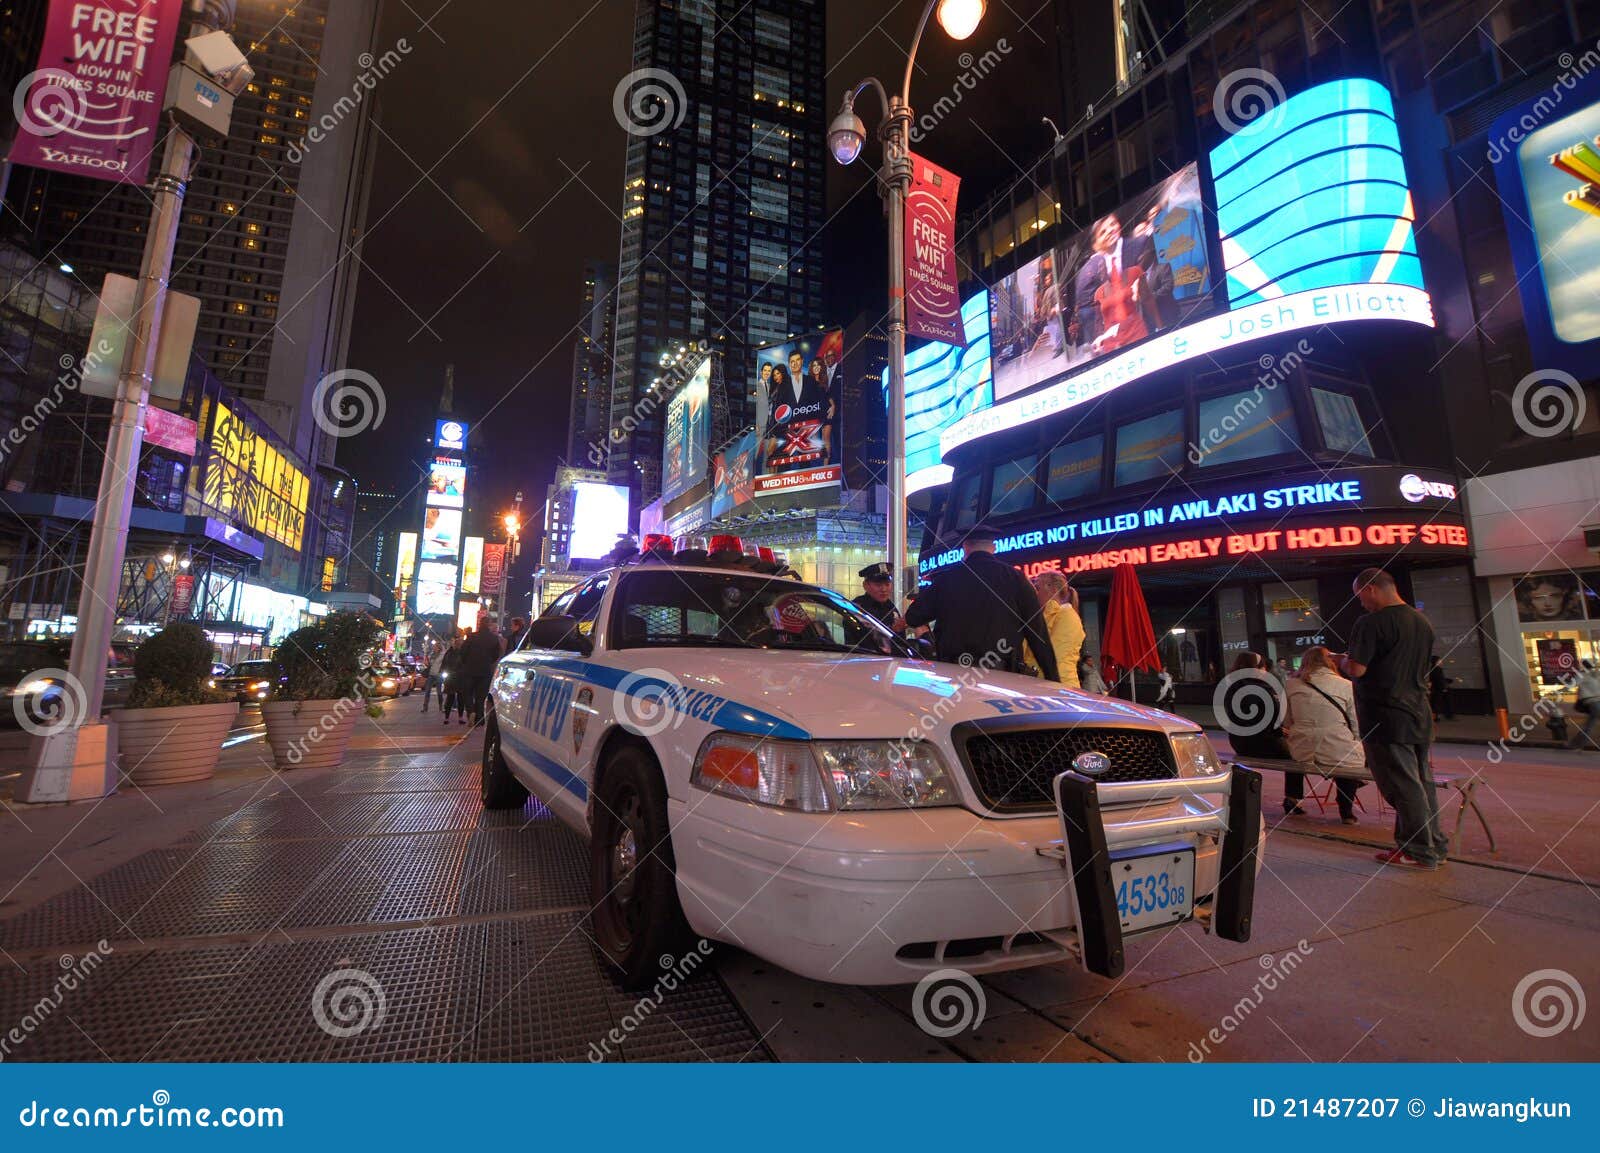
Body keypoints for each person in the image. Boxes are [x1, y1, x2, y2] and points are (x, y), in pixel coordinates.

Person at [1336, 568, 1445, 869]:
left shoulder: (1372, 622)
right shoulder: (1421, 621)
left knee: (1401, 785)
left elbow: (1357, 669)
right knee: (1422, 782)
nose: (1361, 604)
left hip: (1384, 715)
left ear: (1371, 589)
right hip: (1418, 712)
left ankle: (1417, 850)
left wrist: (1340, 660)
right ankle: (1434, 845)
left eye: (1360, 596)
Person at [905, 524, 1059, 681]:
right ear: (994, 547)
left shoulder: (946, 579)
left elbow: (913, 617)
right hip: (1003, 676)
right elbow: (1037, 633)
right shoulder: (1016, 578)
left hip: (955, 674)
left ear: (965, 547)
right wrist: (1053, 678)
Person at [1283, 646, 1364, 825]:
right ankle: (1346, 812)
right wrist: (1357, 742)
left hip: (1303, 750)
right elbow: (1355, 722)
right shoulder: (1346, 685)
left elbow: (1287, 721)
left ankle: (1292, 798)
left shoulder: (1290, 684)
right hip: (1336, 746)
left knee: (1292, 755)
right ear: (1330, 662)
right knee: (1350, 763)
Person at [1223, 652, 1293, 776]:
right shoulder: (1260, 687)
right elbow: (1266, 719)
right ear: (1255, 668)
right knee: (1296, 756)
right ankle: (1293, 794)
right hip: (1262, 743)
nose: (1265, 671)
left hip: (1239, 743)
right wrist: (1279, 731)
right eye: (1263, 667)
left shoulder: (1233, 685)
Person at [1026, 570, 1084, 687]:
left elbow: (1053, 657)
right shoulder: (1045, 616)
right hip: (1043, 686)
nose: (1034, 593)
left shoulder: (1068, 615)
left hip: (1061, 689)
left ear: (1052, 590)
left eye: (1037, 588)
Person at [459, 618, 502, 727]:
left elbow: (463, 652)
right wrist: (488, 662)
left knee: (467, 693)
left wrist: (466, 662)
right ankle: (480, 719)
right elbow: (496, 655)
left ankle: (471, 711)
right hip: (485, 671)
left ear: (479, 624)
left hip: (470, 670)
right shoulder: (493, 638)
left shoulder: (472, 636)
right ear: (489, 625)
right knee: (480, 696)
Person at [852, 563, 904, 632]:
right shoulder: (857, 607)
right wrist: (893, 630)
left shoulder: (890, 606)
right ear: (865, 585)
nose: (884, 589)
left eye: (887, 584)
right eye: (878, 585)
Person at [1569, 658, 1600, 751]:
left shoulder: (1582, 675)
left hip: (1592, 702)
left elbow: (1572, 685)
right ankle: (1576, 743)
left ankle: (1576, 744)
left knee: (1589, 725)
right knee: (1590, 724)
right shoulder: (1596, 674)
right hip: (1598, 701)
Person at [439, 635, 465, 724]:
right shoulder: (449, 653)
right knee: (452, 698)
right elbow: (444, 664)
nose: (457, 644)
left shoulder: (460, 652)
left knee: (457, 698)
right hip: (453, 677)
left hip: (457, 677)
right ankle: (449, 717)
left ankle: (457, 717)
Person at [1428, 654, 1454, 721]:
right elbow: (1439, 679)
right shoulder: (1437, 669)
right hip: (1438, 689)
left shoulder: (1432, 669)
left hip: (1435, 689)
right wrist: (1444, 688)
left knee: (1436, 703)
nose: (1441, 661)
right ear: (1436, 661)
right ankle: (1436, 717)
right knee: (1437, 703)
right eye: (1440, 660)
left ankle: (1436, 716)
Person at [421, 642, 445, 713]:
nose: (433, 648)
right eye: (433, 647)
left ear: (438, 648)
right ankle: (425, 707)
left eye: (435, 647)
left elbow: (444, 663)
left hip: (438, 675)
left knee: (439, 692)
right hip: (431, 674)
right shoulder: (431, 655)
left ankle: (441, 707)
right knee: (427, 691)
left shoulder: (442, 655)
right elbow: (428, 664)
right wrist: (426, 661)